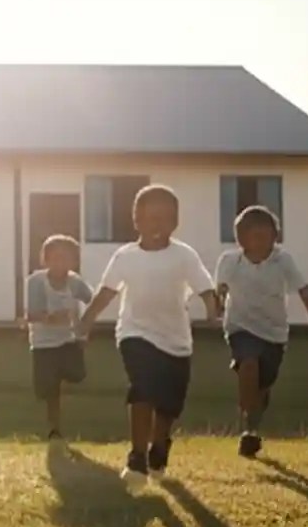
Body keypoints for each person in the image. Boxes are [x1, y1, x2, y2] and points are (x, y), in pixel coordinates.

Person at [78, 185, 219, 490]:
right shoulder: (125, 256)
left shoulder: (183, 255)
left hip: (176, 341)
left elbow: (204, 286)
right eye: (151, 218)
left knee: (168, 405)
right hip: (135, 333)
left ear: (175, 223)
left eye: (166, 219)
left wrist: (211, 307)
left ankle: (159, 444)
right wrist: (87, 319)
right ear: (137, 221)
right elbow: (107, 291)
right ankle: (137, 456)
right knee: (142, 388)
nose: (158, 225)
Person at [214, 206, 308, 458]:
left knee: (261, 388)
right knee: (248, 364)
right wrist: (217, 306)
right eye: (255, 236)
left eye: (267, 236)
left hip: (274, 333)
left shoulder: (282, 261)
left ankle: (252, 429)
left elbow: (305, 293)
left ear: (274, 236)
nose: (262, 242)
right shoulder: (229, 261)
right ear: (242, 238)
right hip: (239, 327)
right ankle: (246, 425)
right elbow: (220, 290)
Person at [24, 234, 93, 441]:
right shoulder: (36, 282)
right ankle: (54, 428)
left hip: (69, 339)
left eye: (66, 258)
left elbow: (92, 299)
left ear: (73, 262)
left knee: (77, 375)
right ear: (45, 260)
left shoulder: (75, 282)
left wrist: (83, 327)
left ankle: (60, 384)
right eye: (55, 258)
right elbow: (32, 315)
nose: (60, 263)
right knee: (49, 391)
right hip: (43, 343)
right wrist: (51, 318)